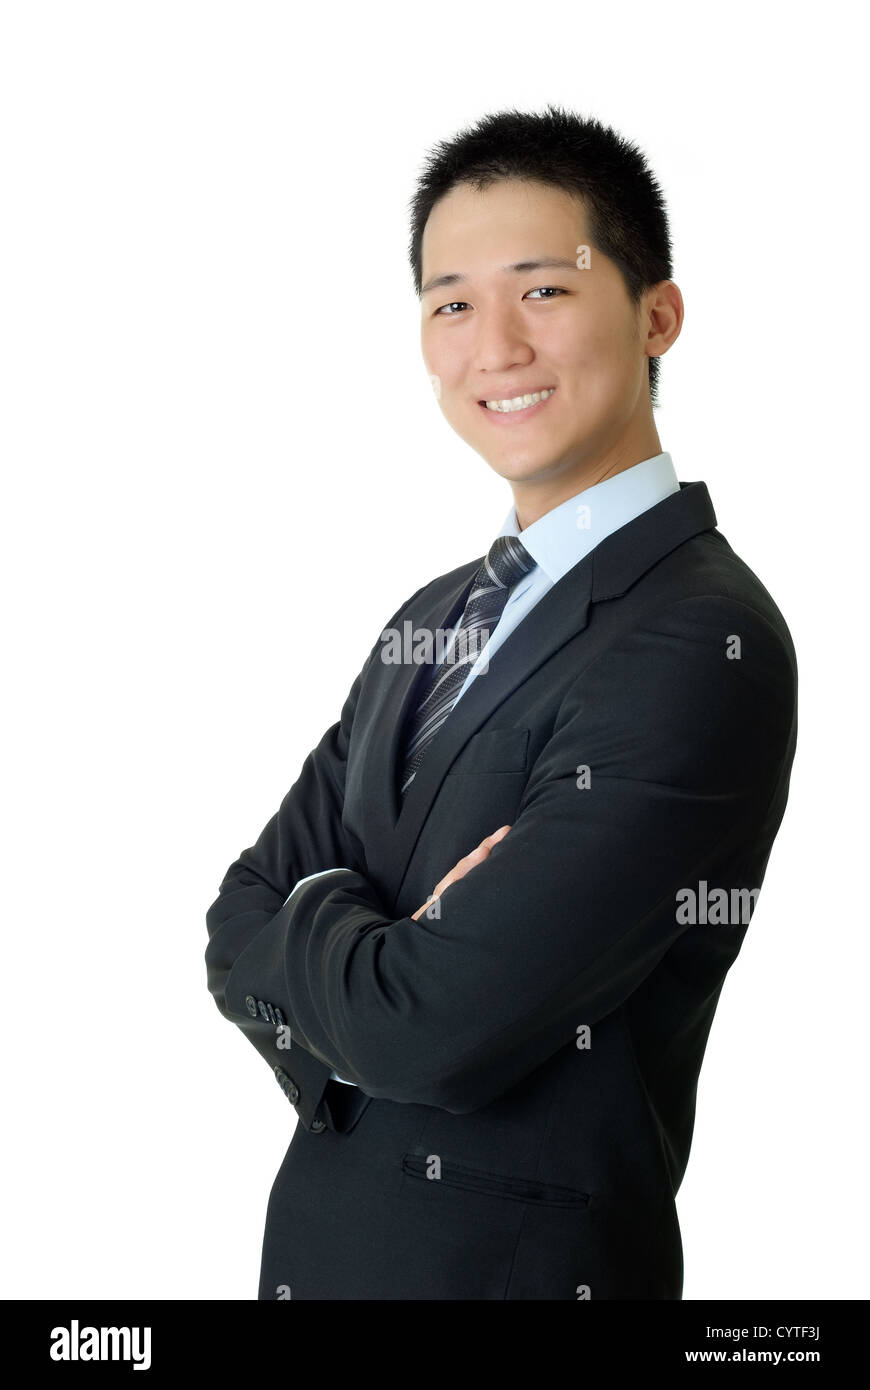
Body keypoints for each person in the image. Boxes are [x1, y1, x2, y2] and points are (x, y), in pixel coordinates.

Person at [205, 105, 797, 1300]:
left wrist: (334, 944)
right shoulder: (436, 614)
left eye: (545, 290)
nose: (496, 348)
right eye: (452, 303)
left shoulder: (700, 639)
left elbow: (430, 1027)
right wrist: (359, 930)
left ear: (657, 316)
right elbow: (235, 922)